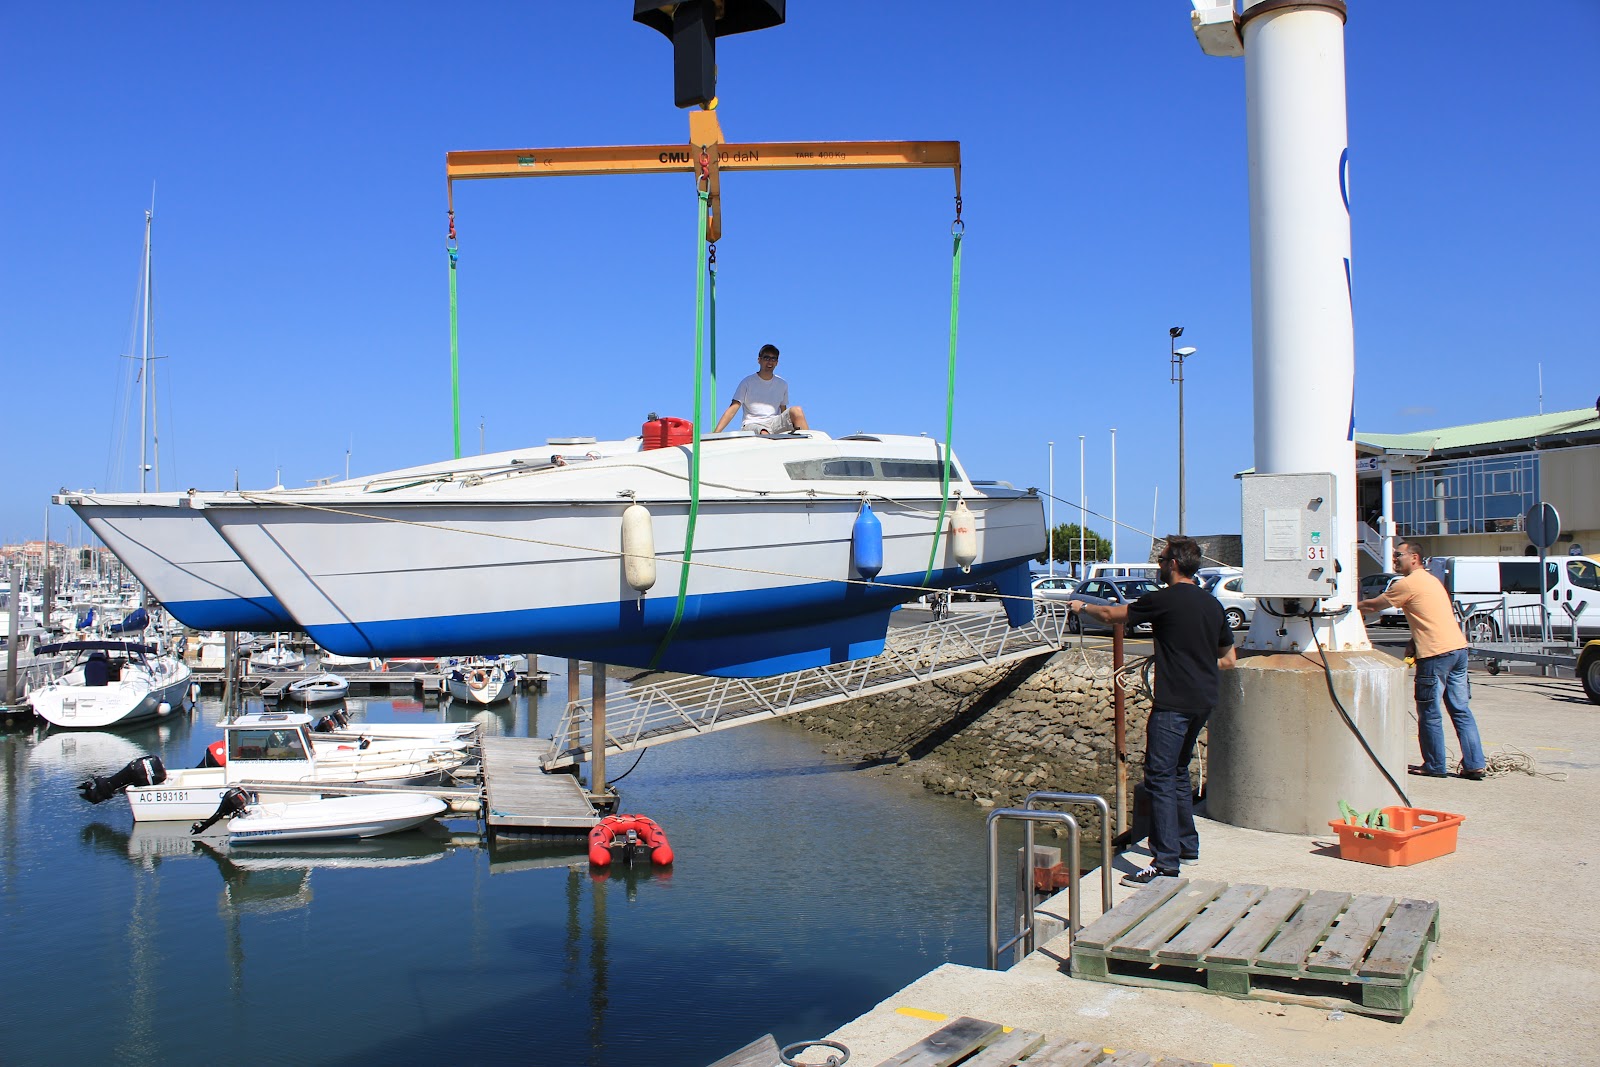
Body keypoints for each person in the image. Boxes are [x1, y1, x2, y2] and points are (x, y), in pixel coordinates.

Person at [1068, 536, 1236, 886]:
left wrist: (1082, 608)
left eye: (1161, 559)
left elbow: (1112, 615)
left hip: (1173, 704)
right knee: (1177, 772)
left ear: (1173, 563)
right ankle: (1187, 846)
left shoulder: (1163, 600)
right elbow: (1229, 660)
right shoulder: (1212, 604)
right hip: (1204, 702)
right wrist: (1195, 661)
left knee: (1159, 776)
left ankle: (1165, 863)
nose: (1159, 565)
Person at [1357, 541, 1487, 781]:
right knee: (1460, 710)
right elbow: (1430, 616)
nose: (1394, 559)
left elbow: (1376, 605)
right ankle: (1475, 764)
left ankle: (1434, 764)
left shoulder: (1407, 583)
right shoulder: (1431, 580)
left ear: (1414, 557)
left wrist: (1348, 607)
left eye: (1398, 555)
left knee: (1429, 711)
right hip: (1457, 649)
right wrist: (1413, 641)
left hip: (1435, 654)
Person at [713, 343, 809, 434]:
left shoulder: (782, 384)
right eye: (766, 358)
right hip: (752, 424)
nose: (770, 362)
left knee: (797, 410)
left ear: (777, 362)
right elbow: (733, 408)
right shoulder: (747, 382)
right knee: (763, 432)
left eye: (773, 359)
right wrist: (716, 433)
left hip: (773, 423)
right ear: (759, 360)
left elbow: (784, 411)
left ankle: (809, 446)